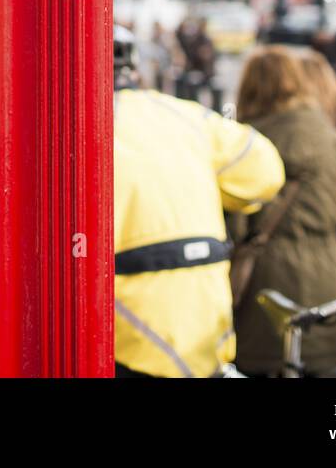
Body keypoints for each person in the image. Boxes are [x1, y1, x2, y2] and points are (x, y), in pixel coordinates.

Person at [113, 25, 285, 378]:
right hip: (205, 327)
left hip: (124, 335)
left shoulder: (67, 120)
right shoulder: (188, 116)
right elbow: (266, 174)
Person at [232, 46, 336, 377]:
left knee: (265, 365)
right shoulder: (332, 137)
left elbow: (234, 228)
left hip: (264, 280)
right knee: (315, 366)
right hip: (327, 274)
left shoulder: (245, 141)